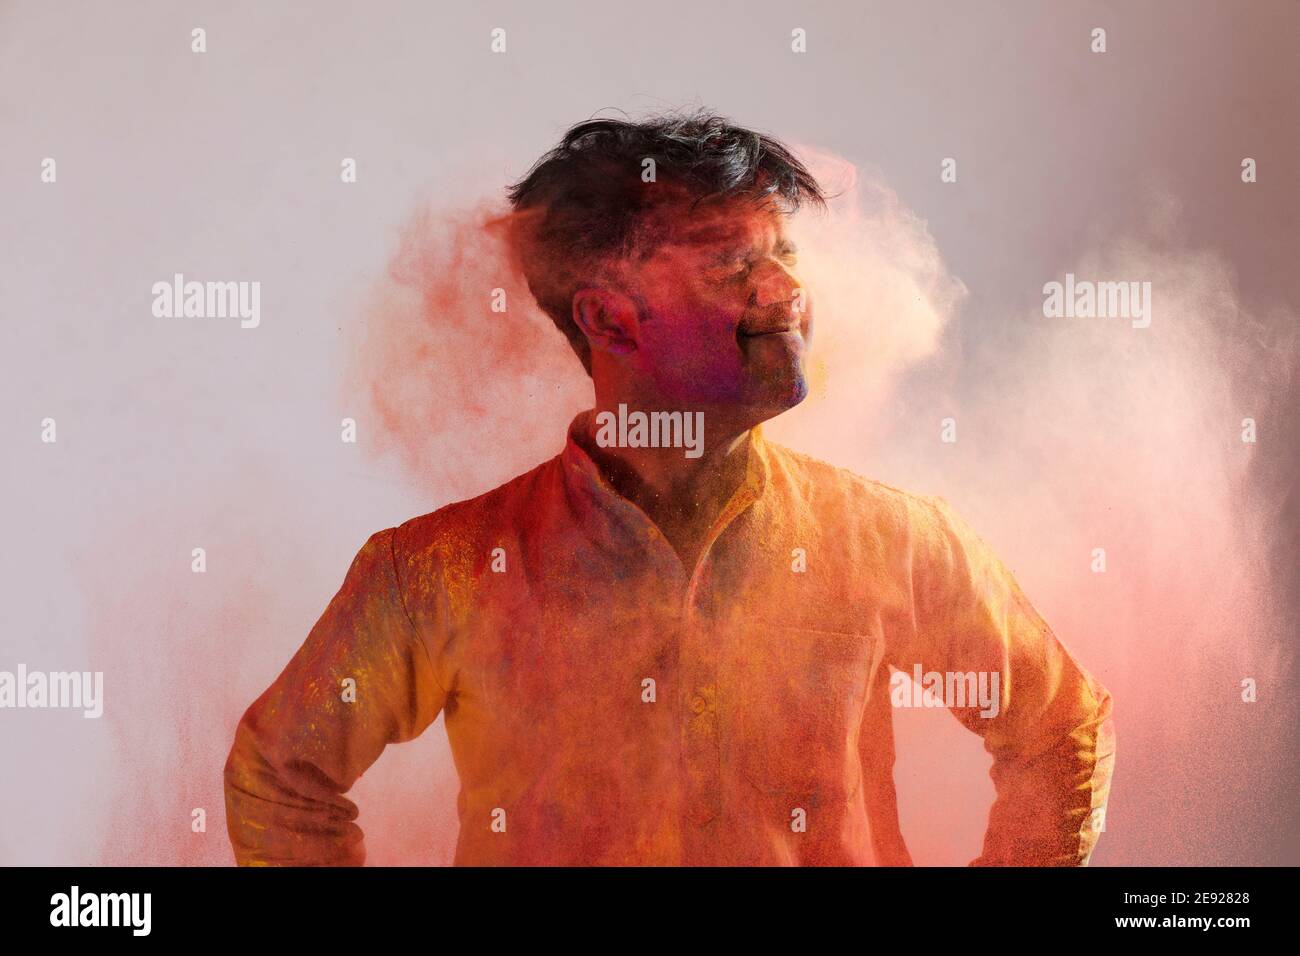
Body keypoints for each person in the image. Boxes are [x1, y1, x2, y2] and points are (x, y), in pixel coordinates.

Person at [224, 111, 1115, 866]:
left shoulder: (896, 539)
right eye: (732, 265)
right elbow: (281, 775)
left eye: (786, 254)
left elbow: (1059, 735)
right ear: (607, 317)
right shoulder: (435, 570)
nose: (786, 290)